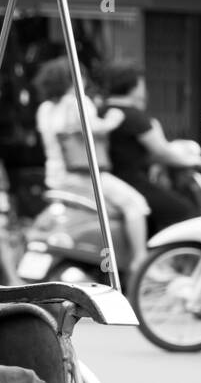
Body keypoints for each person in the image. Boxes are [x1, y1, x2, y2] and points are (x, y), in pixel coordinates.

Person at [33, 56, 151, 262]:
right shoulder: (78, 102)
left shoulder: (44, 109)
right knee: (136, 204)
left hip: (56, 179)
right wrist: (113, 120)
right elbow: (92, 128)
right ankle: (140, 260)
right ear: (75, 79)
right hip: (85, 176)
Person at [102, 61, 201, 232]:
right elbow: (162, 152)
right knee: (185, 210)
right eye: (142, 84)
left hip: (110, 180)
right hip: (132, 182)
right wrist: (192, 161)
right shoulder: (134, 117)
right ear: (134, 86)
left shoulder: (102, 111)